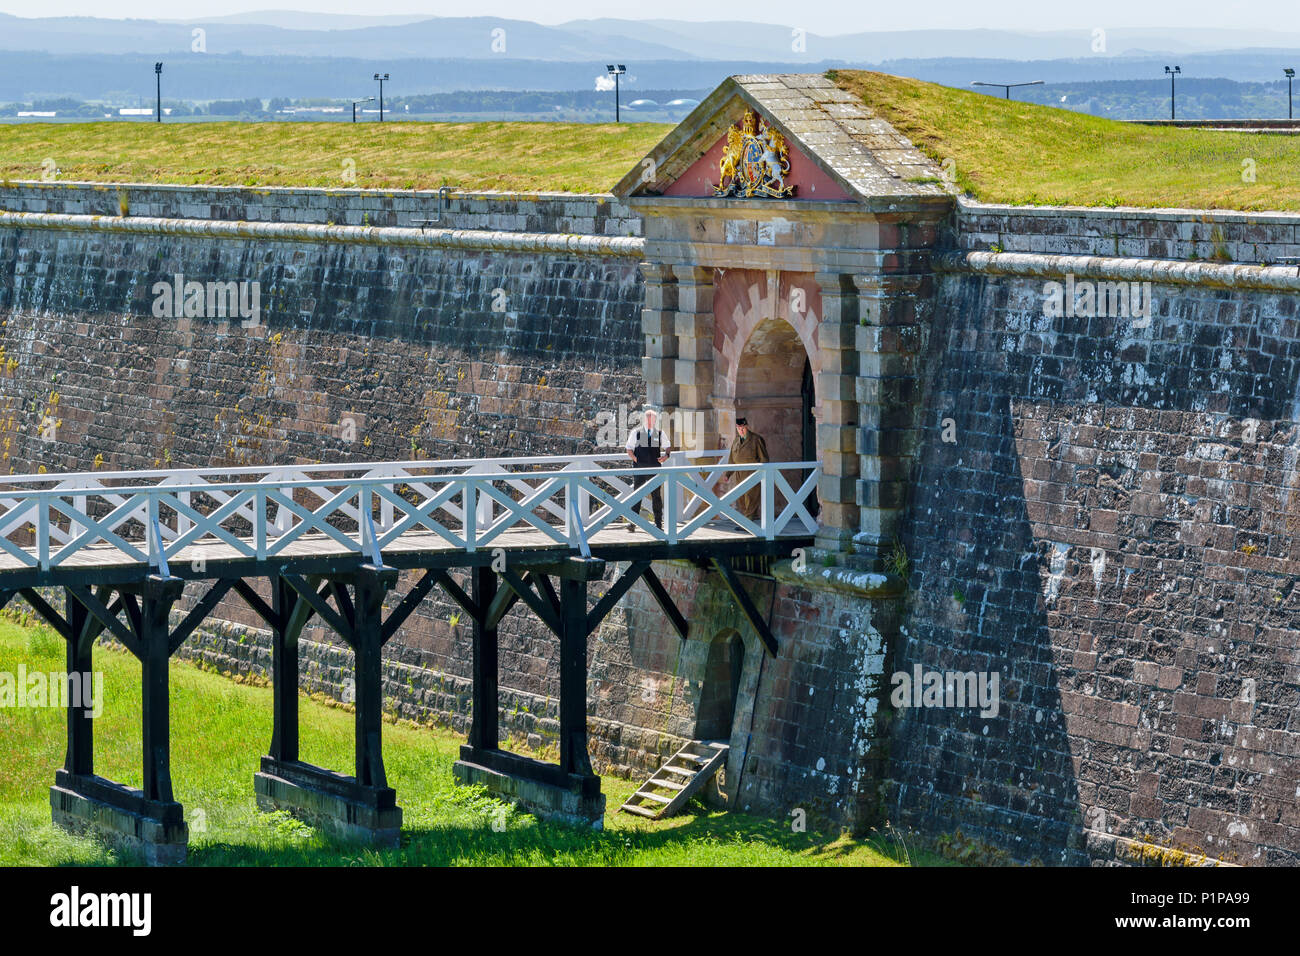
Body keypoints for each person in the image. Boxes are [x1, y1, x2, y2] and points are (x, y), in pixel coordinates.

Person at [625, 405, 671, 530]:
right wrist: (636, 459)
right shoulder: (636, 432)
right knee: (637, 495)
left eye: (653, 419)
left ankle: (658, 523)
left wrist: (666, 455)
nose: (651, 422)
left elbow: (668, 446)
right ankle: (632, 523)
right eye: (649, 419)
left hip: (655, 468)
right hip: (639, 468)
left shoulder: (660, 433)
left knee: (656, 496)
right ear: (645, 420)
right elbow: (629, 448)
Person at [717, 416, 769, 522]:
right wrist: (727, 474)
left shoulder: (756, 439)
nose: (741, 430)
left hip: (752, 475)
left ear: (747, 426)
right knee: (741, 500)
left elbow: (764, 459)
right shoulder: (736, 441)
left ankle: (749, 524)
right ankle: (748, 524)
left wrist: (761, 473)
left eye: (743, 427)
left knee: (751, 499)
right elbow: (732, 460)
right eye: (739, 428)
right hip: (739, 476)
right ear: (736, 428)